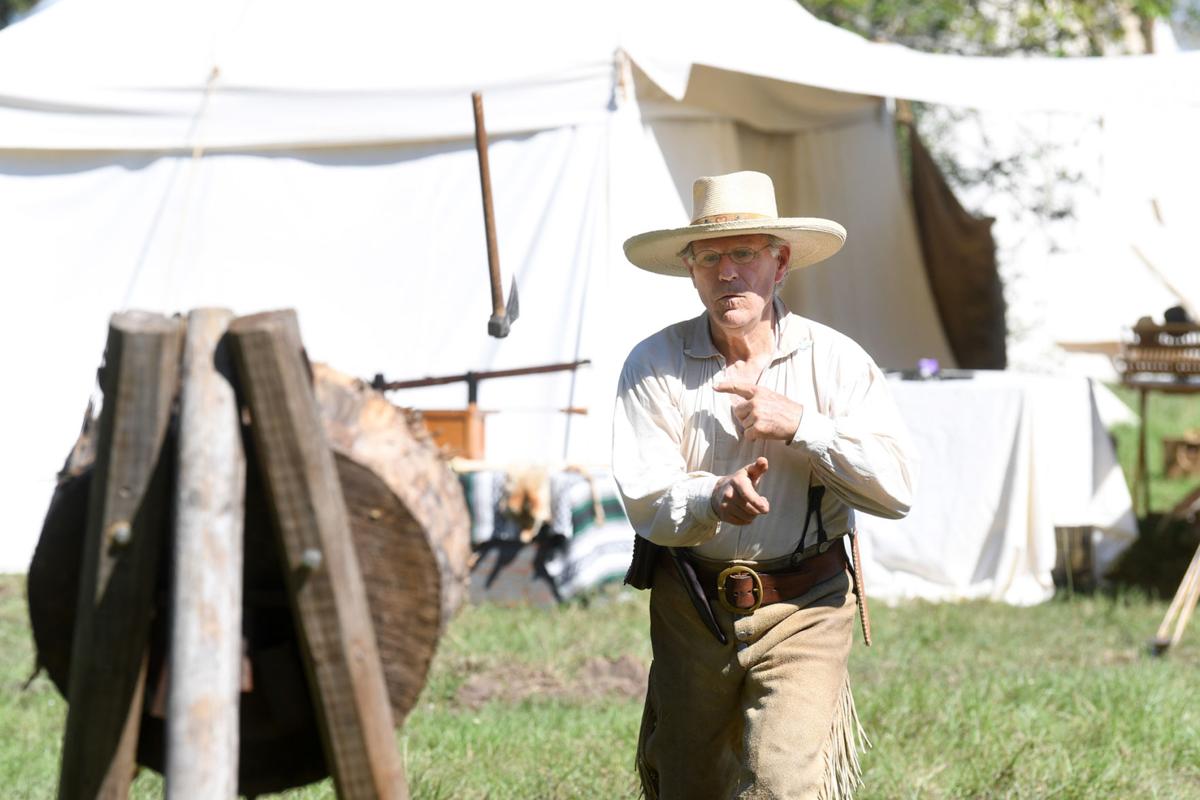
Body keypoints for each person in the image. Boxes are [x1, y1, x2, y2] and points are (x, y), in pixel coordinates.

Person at [612, 171, 915, 800]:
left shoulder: (835, 360)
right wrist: (711, 497)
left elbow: (896, 490)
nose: (727, 273)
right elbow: (645, 493)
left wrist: (804, 426)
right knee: (687, 780)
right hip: (691, 604)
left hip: (806, 603)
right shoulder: (653, 364)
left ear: (779, 265)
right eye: (710, 257)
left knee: (782, 783)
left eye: (744, 254)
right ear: (691, 271)